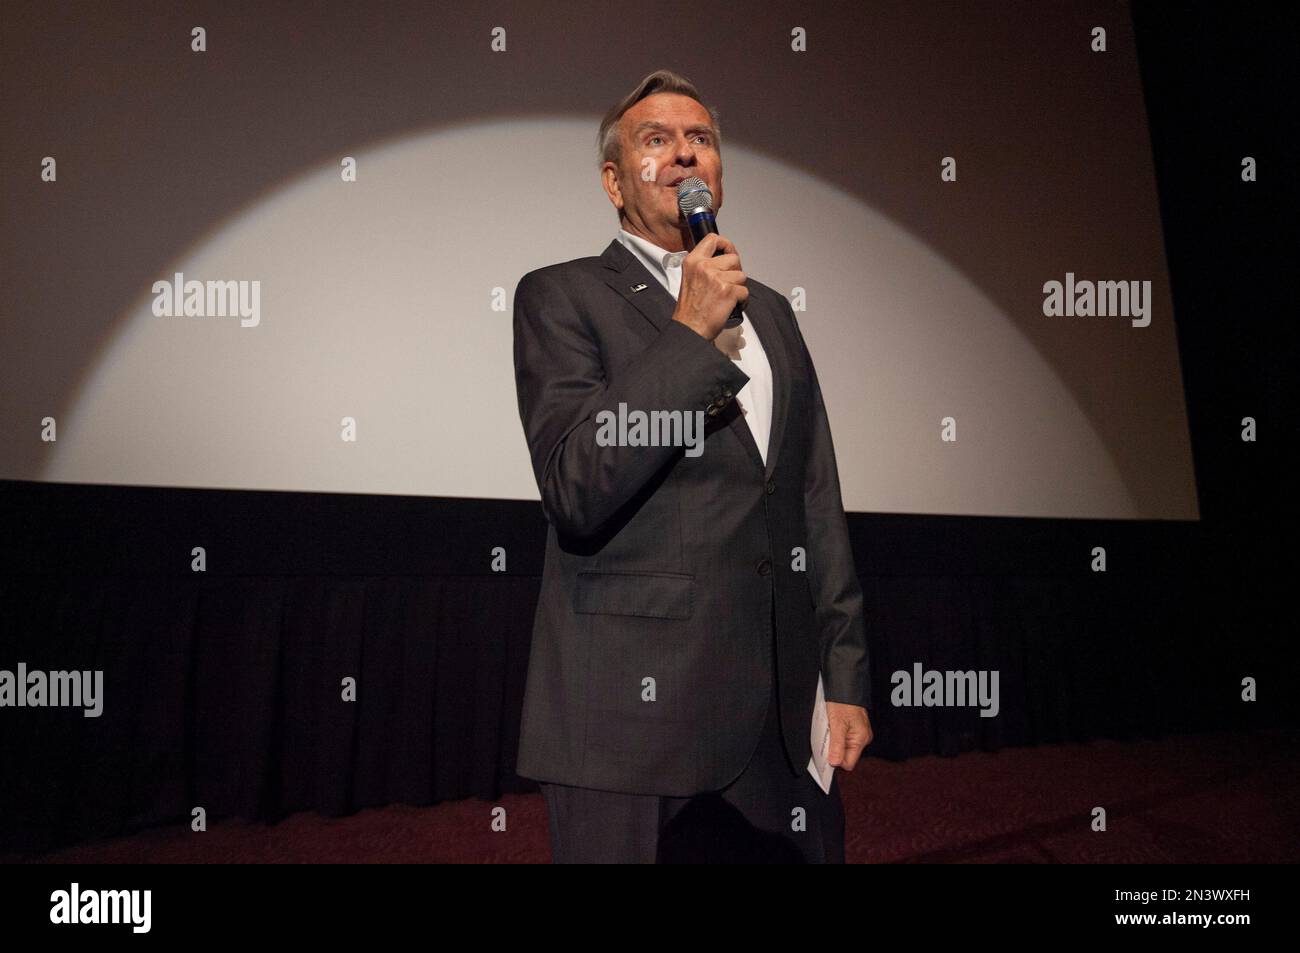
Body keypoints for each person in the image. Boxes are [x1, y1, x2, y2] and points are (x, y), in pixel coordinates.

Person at [511, 69, 874, 863]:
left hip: (778, 721)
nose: (684, 155)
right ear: (615, 180)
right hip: (630, 725)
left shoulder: (771, 310)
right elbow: (577, 486)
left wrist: (842, 671)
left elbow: (814, 493)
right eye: (656, 141)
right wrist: (686, 334)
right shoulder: (560, 295)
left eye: (700, 139)